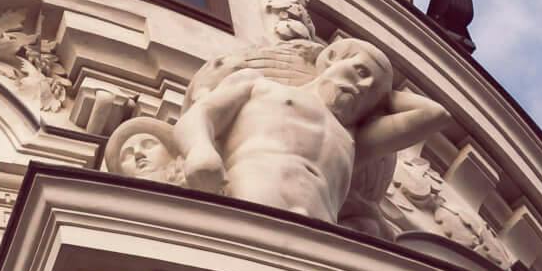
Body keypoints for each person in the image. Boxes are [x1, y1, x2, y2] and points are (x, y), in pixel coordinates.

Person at [173, 37, 448, 222]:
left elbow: (435, 115)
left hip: (319, 230)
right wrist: (200, 150)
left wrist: (384, 95)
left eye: (373, 91)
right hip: (250, 199)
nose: (364, 87)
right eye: (362, 72)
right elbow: (201, 114)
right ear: (331, 58)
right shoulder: (260, 86)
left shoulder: (354, 139)